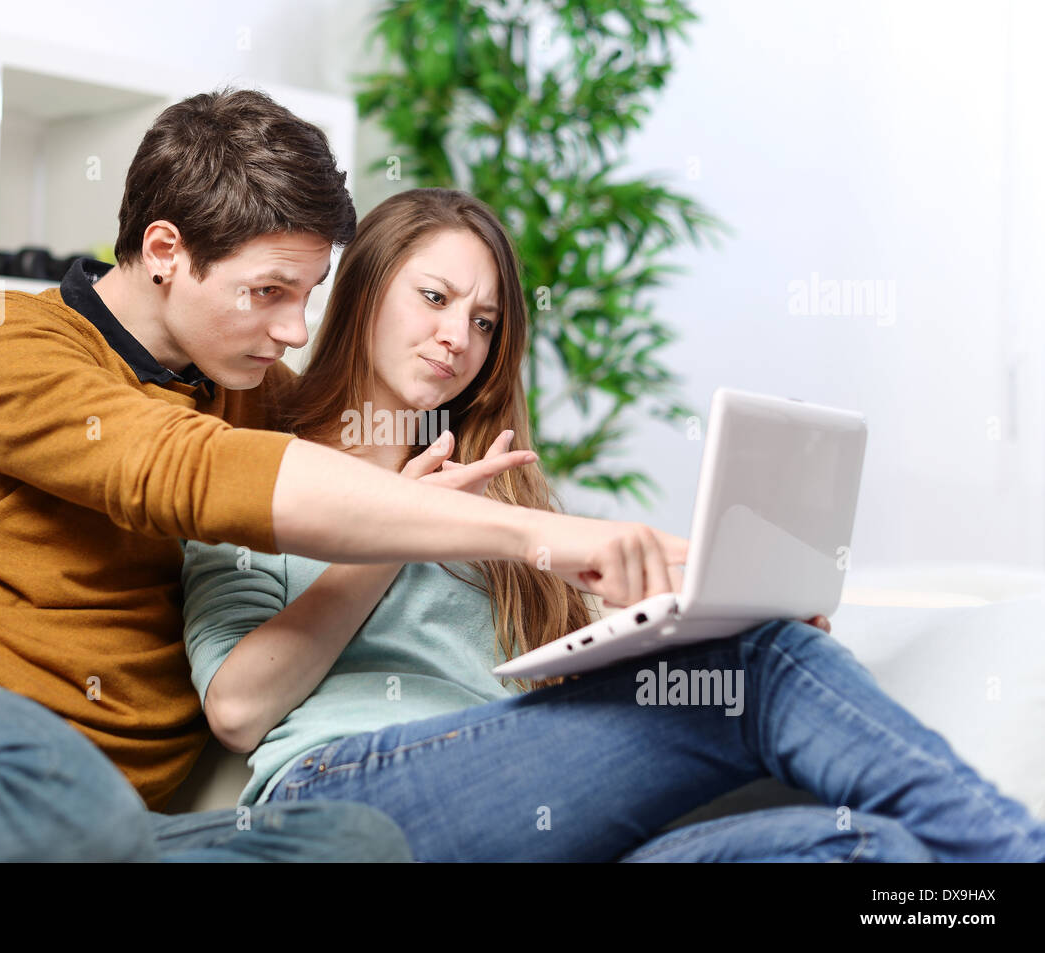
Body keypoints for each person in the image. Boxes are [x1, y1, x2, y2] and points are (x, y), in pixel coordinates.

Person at [0, 87, 712, 862]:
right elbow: (185, 469)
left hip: (119, 819)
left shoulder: (252, 385)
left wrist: (699, 609)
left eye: (309, 295)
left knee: (355, 840)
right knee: (53, 796)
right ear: (165, 252)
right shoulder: (5, 339)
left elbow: (339, 442)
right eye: (268, 293)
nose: (296, 329)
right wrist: (536, 533)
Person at [180, 187, 1045, 863]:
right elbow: (240, 709)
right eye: (435, 298)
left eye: (483, 322)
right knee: (759, 672)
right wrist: (404, 525)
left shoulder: (508, 505)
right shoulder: (256, 469)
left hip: (526, 822)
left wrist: (717, 615)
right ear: (364, 290)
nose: (457, 338)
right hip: (343, 800)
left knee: (874, 852)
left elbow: (560, 707)